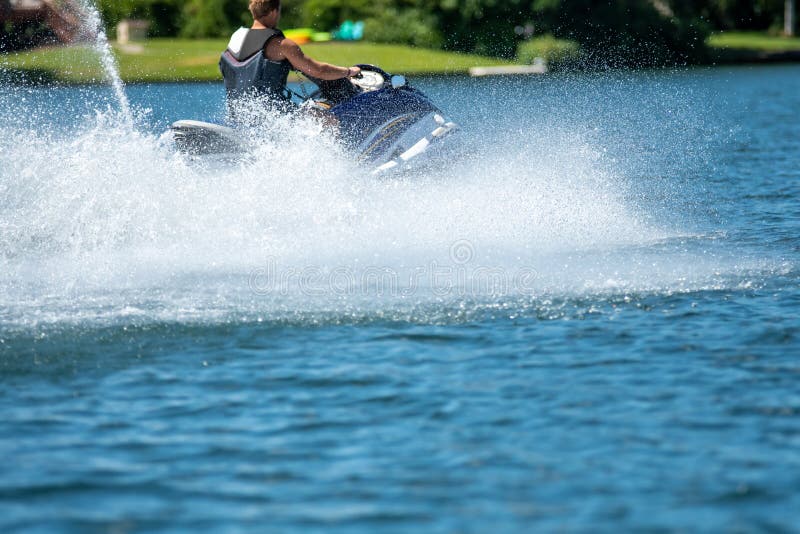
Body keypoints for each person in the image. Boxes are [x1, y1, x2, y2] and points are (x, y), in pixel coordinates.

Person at [219, 0, 361, 117]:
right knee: (327, 116)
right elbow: (319, 71)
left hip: (239, 117)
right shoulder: (281, 44)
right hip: (273, 119)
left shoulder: (235, 38)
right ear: (274, 11)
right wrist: (348, 71)